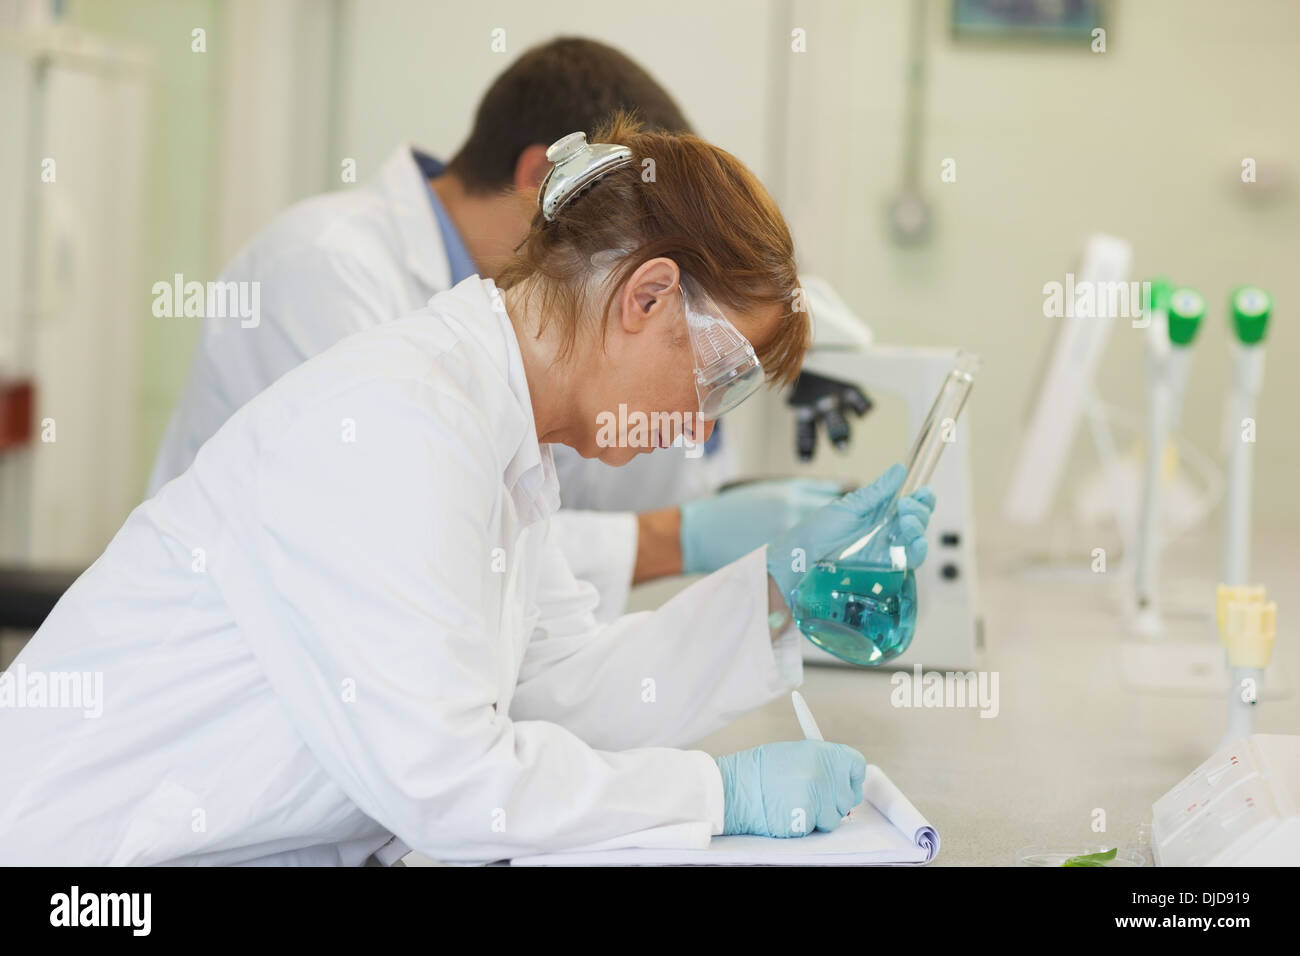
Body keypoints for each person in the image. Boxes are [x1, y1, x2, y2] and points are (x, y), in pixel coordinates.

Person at [0, 116, 934, 864]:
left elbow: (558, 698)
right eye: (723, 377)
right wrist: (720, 797)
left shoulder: (506, 444)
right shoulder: (401, 419)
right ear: (645, 298)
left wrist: (777, 585)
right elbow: (451, 785)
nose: (701, 422)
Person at [147, 36, 845, 621]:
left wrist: (727, 361)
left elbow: (598, 487)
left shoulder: (530, 349)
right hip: (221, 702)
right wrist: (682, 539)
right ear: (545, 177)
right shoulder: (323, 269)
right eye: (621, 211)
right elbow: (409, 545)